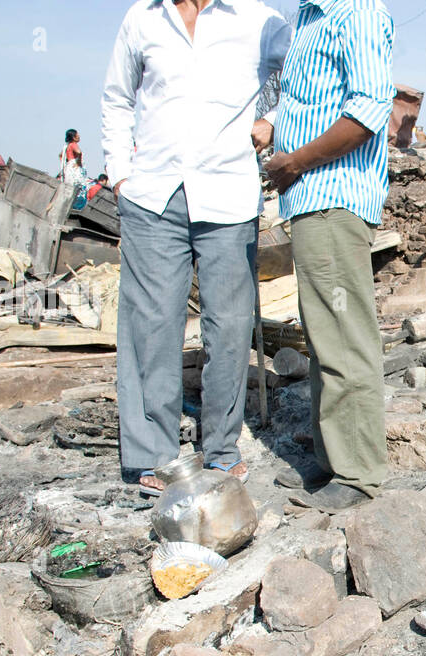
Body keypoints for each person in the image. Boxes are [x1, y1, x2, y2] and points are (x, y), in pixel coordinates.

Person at [101, 0, 291, 495]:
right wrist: (120, 173)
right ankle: (153, 455)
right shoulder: (142, 17)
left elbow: (303, 77)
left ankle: (221, 449)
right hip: (152, 195)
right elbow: (117, 98)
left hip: (227, 194)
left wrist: (272, 120)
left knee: (227, 327)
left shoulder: (258, 19)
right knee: (151, 325)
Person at [265, 0, 396, 513]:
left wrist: (293, 162)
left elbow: (366, 113)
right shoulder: (311, 16)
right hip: (312, 201)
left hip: (330, 197)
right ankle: (335, 457)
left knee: (343, 338)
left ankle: (358, 474)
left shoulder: (357, 11)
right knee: (324, 337)